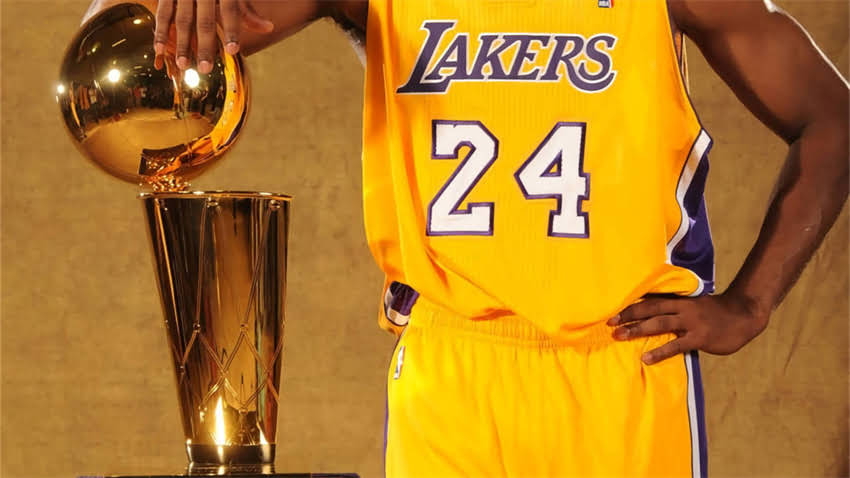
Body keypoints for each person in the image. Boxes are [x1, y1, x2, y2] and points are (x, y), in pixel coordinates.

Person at [83, 1, 849, 476]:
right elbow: (142, 30)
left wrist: (752, 303)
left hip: (620, 365)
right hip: (451, 368)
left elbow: (835, 120)